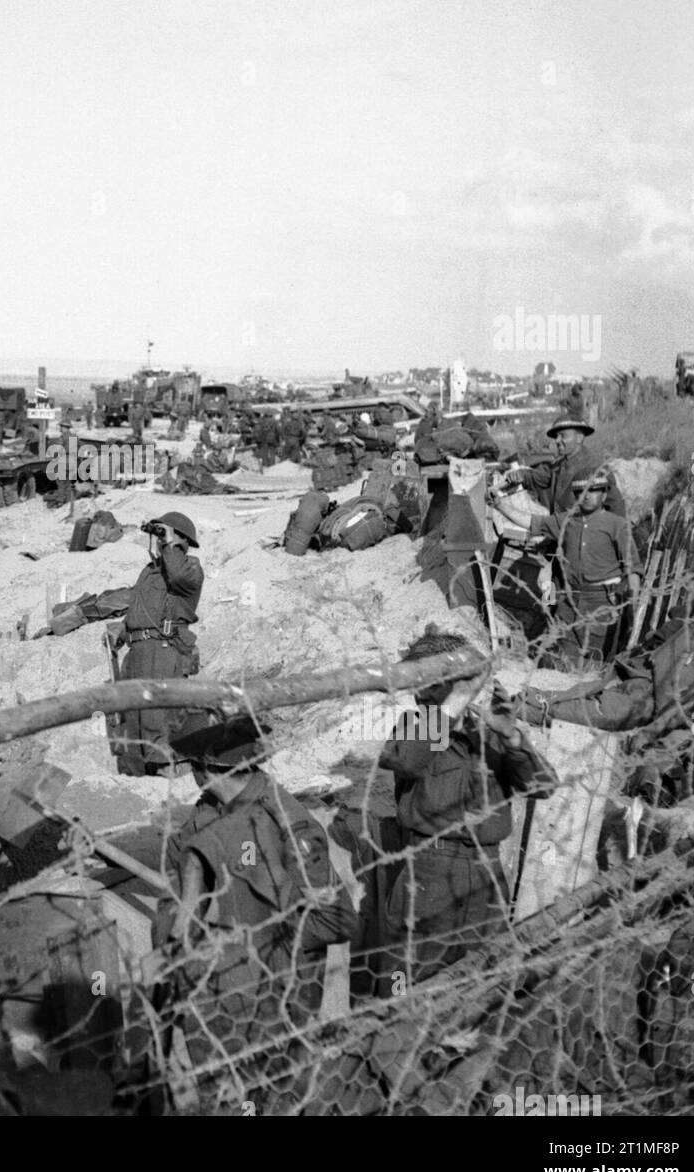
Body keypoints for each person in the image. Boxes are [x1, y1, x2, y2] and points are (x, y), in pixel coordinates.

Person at [150, 711, 356, 1111]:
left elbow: (336, 920)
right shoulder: (209, 809)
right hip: (216, 992)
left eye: (191, 766)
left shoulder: (288, 824)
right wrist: (177, 941)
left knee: (277, 1098)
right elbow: (177, 887)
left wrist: (258, 945)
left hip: (277, 998)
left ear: (207, 767)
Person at [379, 628, 557, 984]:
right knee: (412, 981)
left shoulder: (489, 735)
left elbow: (543, 786)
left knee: (485, 980)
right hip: (430, 873)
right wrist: (454, 702)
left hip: (487, 875)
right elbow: (408, 761)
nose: (417, 692)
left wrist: (511, 737)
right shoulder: (415, 728)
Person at [107, 511, 204, 777]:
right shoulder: (150, 571)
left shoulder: (189, 568)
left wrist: (172, 542)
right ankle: (143, 775)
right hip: (138, 653)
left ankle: (171, 775)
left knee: (158, 719)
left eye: (165, 534)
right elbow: (141, 609)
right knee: (134, 718)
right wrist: (123, 629)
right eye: (159, 535)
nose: (159, 541)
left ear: (181, 540)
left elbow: (179, 577)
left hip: (163, 652)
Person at [532, 471, 641, 665]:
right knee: (560, 661)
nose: (587, 495)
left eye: (593, 491)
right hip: (568, 596)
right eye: (581, 492)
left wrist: (631, 608)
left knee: (596, 662)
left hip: (601, 601)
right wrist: (498, 502)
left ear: (604, 495)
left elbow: (632, 569)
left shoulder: (616, 525)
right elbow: (532, 523)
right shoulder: (566, 520)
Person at [505, 416, 625, 517]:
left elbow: (616, 506)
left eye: (562, 435)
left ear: (579, 438)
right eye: (556, 436)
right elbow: (538, 477)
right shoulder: (557, 465)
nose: (557, 440)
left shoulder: (596, 467)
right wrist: (521, 474)